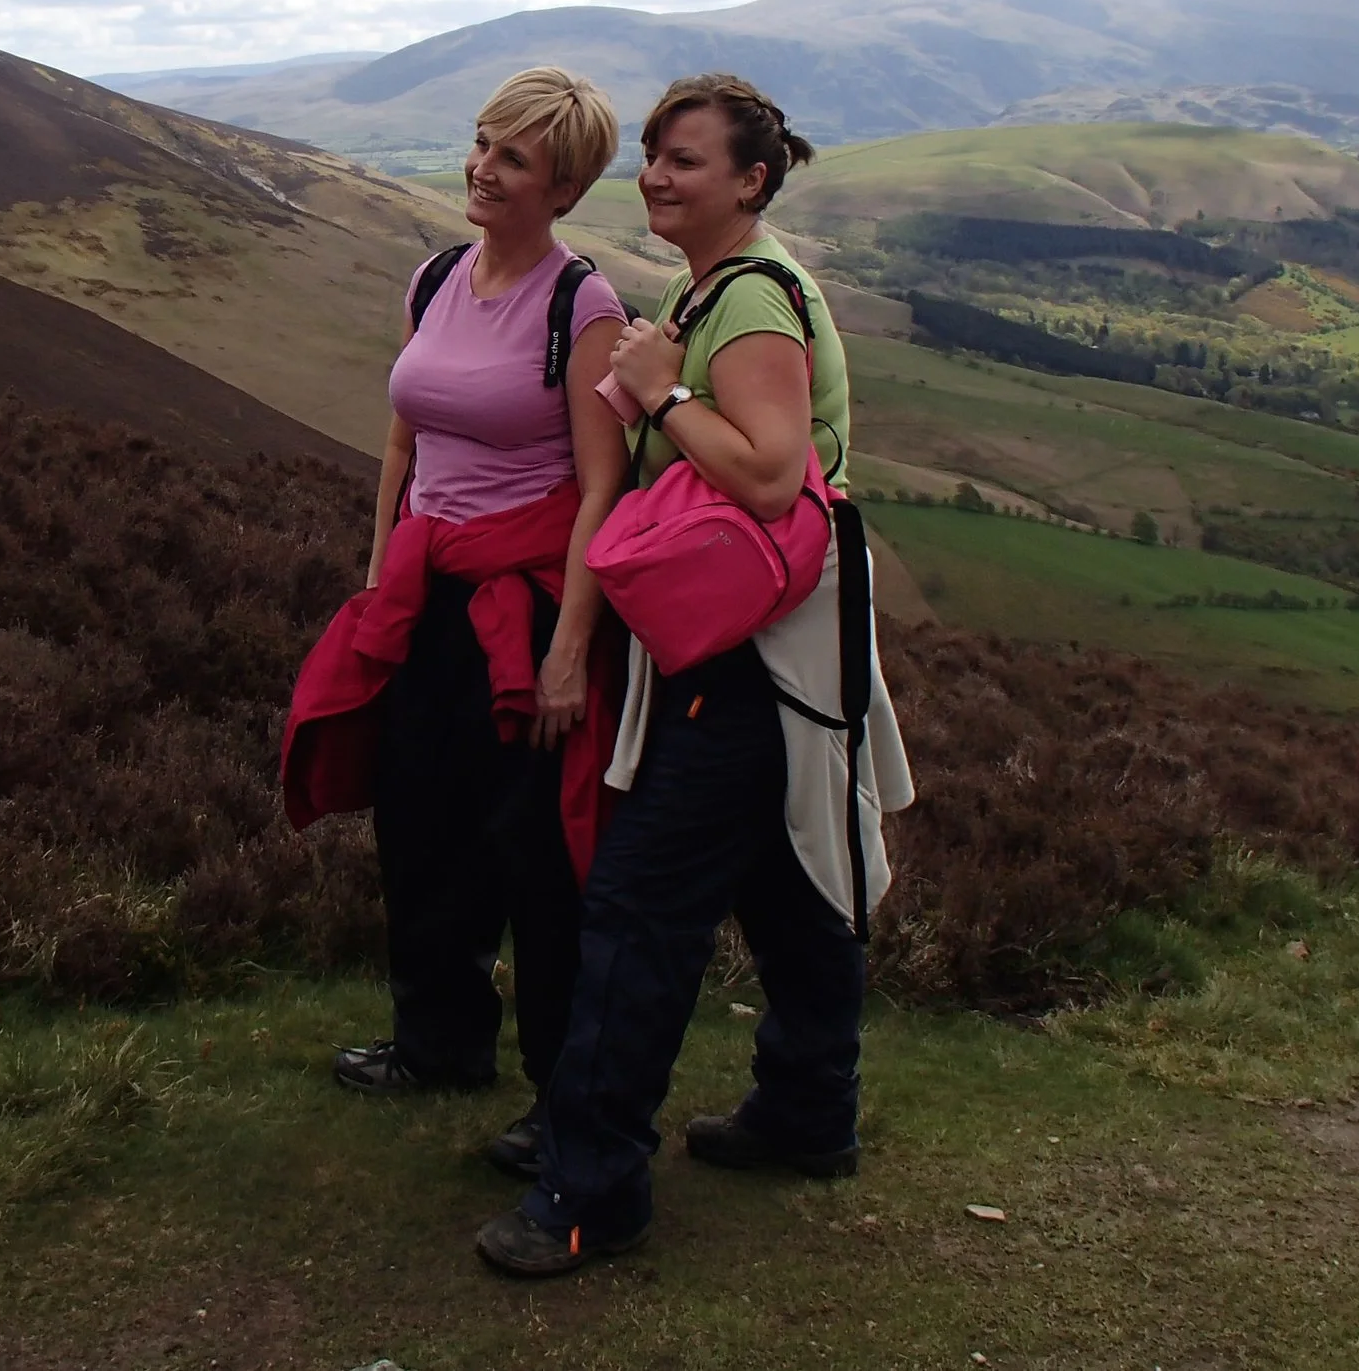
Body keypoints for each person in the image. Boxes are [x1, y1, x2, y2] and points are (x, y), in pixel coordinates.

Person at [474, 72, 915, 1276]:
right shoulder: (707, 287)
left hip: (748, 657)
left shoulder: (754, 303)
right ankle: (806, 1112)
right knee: (784, 883)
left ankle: (591, 1190)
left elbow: (770, 476)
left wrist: (664, 384)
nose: (659, 177)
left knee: (636, 913)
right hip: (780, 645)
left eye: (687, 160)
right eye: (654, 157)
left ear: (752, 180)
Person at [281, 66, 629, 1177]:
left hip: (522, 613)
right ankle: (437, 1044)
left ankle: (555, 1094)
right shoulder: (434, 278)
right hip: (427, 597)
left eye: (513, 157)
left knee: (534, 853)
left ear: (562, 186)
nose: (483, 168)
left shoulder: (586, 308)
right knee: (418, 823)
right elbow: (403, 439)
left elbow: (597, 491)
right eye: (482, 144)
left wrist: (572, 645)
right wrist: (382, 568)